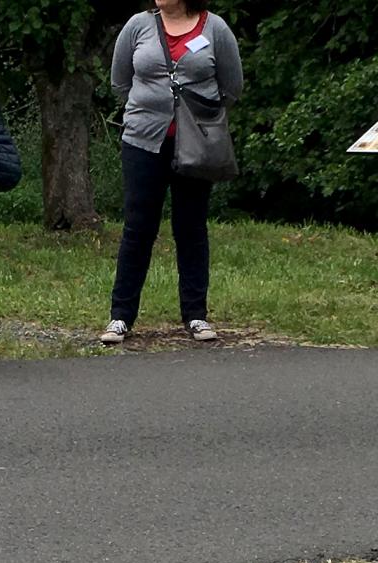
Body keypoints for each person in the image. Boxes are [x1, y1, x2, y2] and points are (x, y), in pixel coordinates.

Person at [101, 0, 243, 346]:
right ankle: (120, 316)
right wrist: (150, 108)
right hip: (142, 141)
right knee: (138, 228)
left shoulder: (215, 28)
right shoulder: (137, 26)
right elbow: (120, 81)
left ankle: (196, 314)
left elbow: (232, 86)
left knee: (191, 227)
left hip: (196, 145)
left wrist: (197, 116)